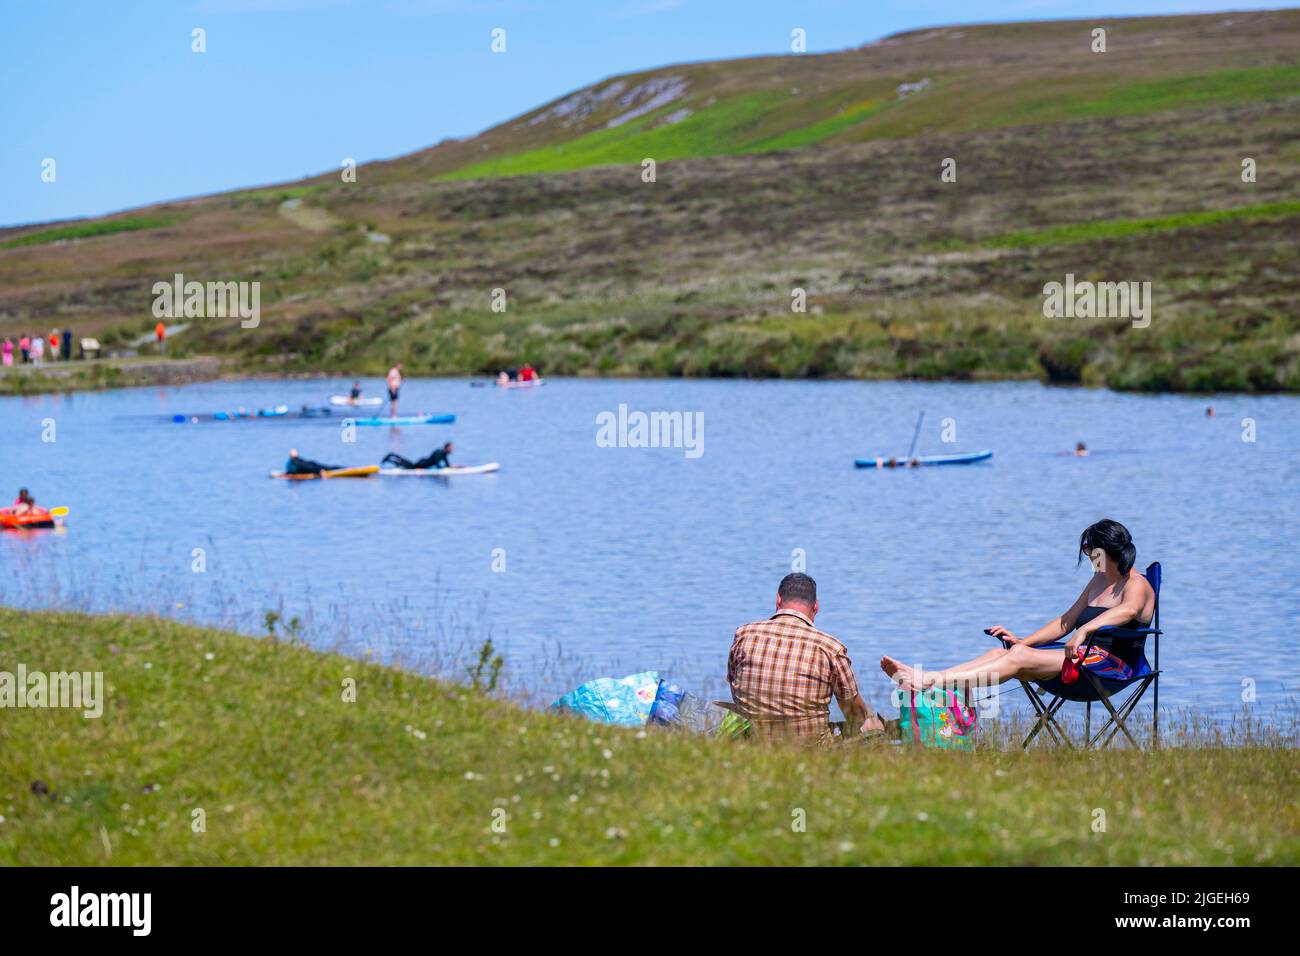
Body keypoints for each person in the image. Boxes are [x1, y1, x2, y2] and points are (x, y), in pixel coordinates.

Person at [880, 519, 1155, 693]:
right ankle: (926, 677)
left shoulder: (1137, 584)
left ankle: (928, 681)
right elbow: (1065, 622)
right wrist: (1023, 641)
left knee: (1018, 659)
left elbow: (1128, 611)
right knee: (1001, 653)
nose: (1086, 556)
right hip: (1081, 658)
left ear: (1104, 552)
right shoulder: (1097, 581)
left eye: (1088, 551)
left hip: (1111, 668)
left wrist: (1084, 631)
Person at [728, 572, 883, 745]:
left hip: (753, 747)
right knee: (871, 724)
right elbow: (854, 714)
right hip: (813, 752)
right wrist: (868, 718)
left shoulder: (744, 635)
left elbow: (735, 690)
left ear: (778, 600)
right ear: (816, 607)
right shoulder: (831, 648)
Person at [382, 442, 453, 471]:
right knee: (407, 466)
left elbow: (447, 465)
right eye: (451, 448)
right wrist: (444, 468)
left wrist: (456, 467)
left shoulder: (444, 454)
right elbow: (438, 465)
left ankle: (391, 456)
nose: (452, 450)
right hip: (422, 464)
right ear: (446, 448)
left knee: (407, 464)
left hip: (423, 463)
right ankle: (390, 458)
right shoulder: (439, 453)